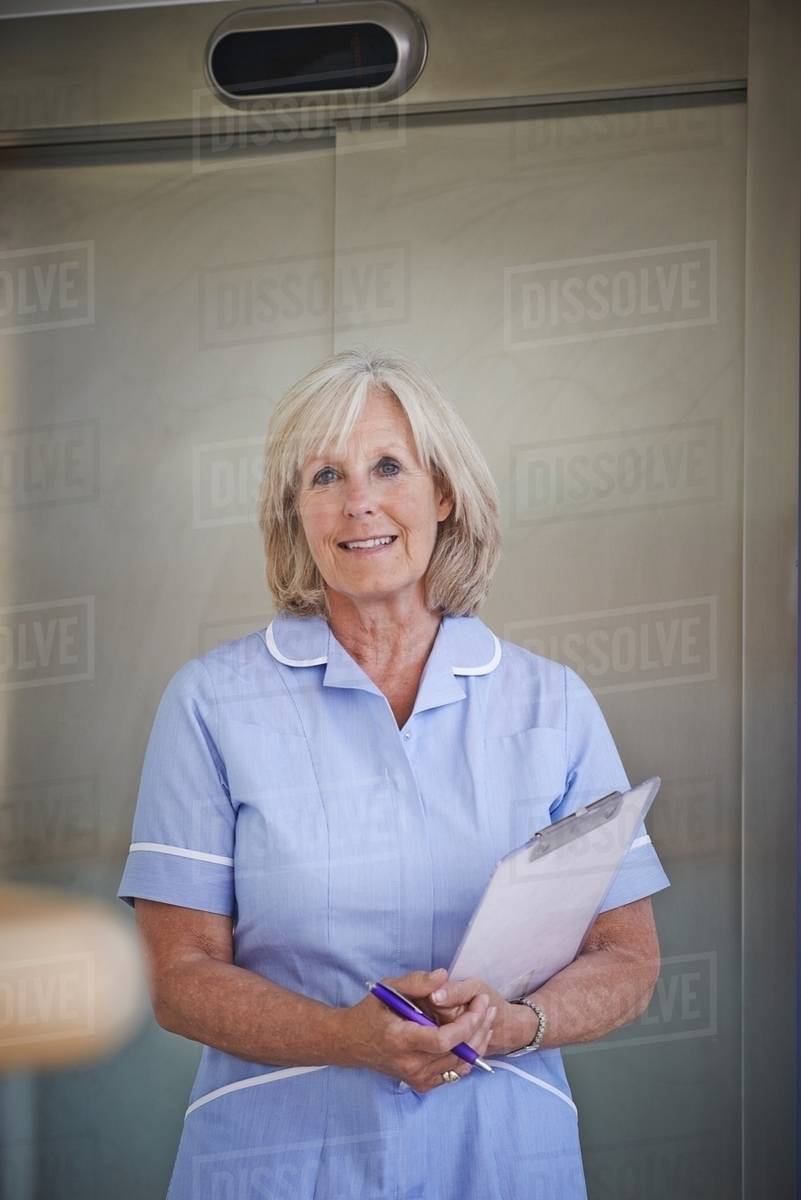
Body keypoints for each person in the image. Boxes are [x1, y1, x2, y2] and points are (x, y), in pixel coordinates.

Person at [117, 347, 670, 1200]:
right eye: (324, 477)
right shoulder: (211, 704)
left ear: (442, 493)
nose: (358, 503)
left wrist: (514, 1025)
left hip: (499, 1156)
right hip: (277, 1162)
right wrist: (350, 1037)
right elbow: (180, 977)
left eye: (387, 467)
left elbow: (626, 957)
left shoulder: (550, 704)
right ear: (294, 513)